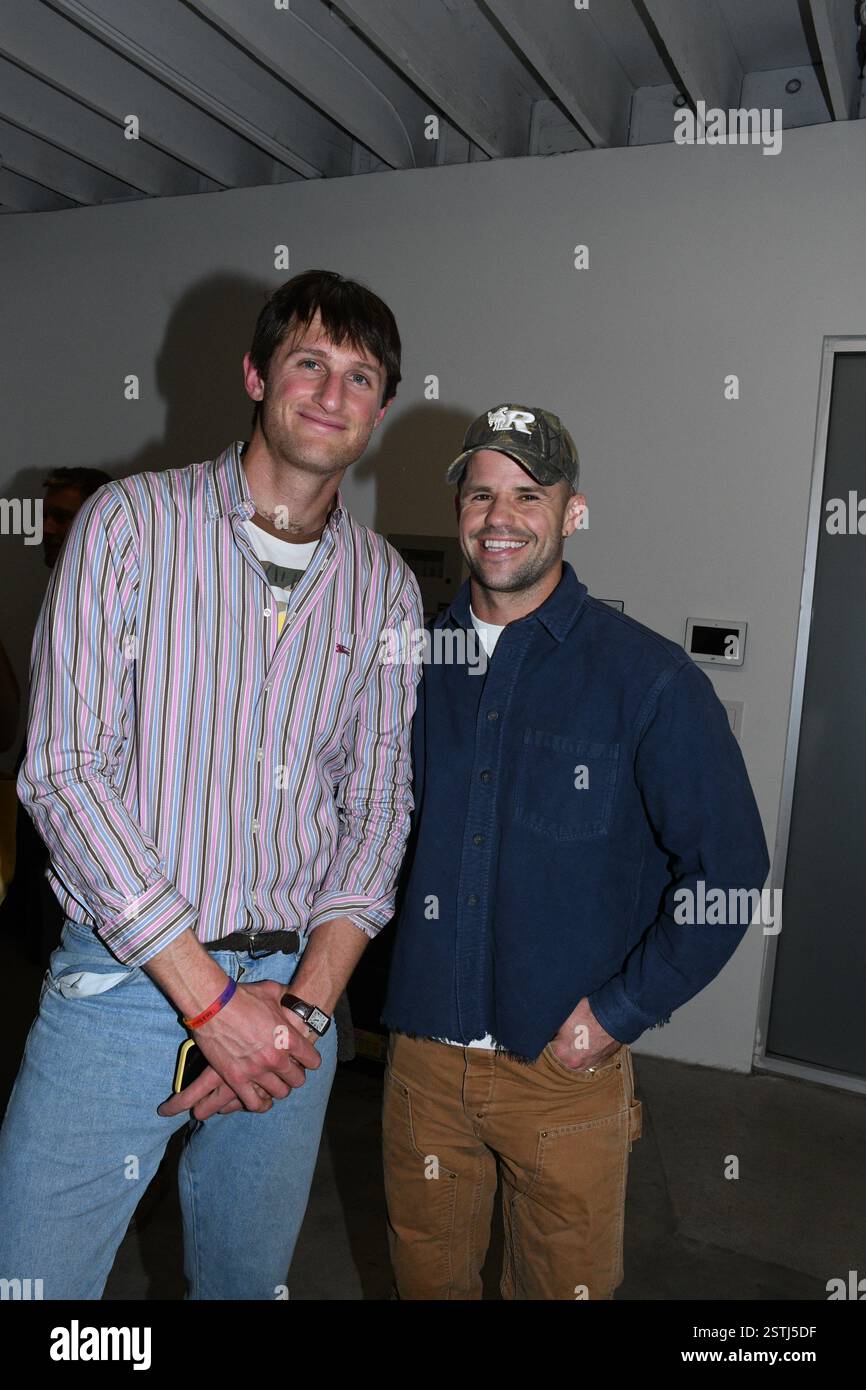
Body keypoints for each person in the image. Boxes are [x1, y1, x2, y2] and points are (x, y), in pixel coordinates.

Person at [0, 269, 423, 1300]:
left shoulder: (385, 588)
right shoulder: (128, 527)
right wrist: (209, 1000)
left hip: (289, 1001)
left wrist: (308, 1012)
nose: (331, 393)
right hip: (123, 988)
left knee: (243, 1285)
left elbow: (377, 807)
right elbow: (63, 770)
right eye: (308, 362)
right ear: (255, 373)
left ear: (379, 407)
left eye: (360, 376)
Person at [381, 404, 770, 1300]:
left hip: (563, 1074)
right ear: (458, 511)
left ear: (572, 511)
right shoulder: (409, 662)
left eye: (528, 493)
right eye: (481, 493)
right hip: (423, 1073)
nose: (500, 516)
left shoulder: (650, 680)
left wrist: (620, 1011)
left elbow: (731, 871)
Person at [2, 466, 112, 964]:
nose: (47, 528)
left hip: (85, 816)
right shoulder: (58, 595)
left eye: (63, 518)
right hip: (38, 802)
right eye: (48, 517)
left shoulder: (125, 605)